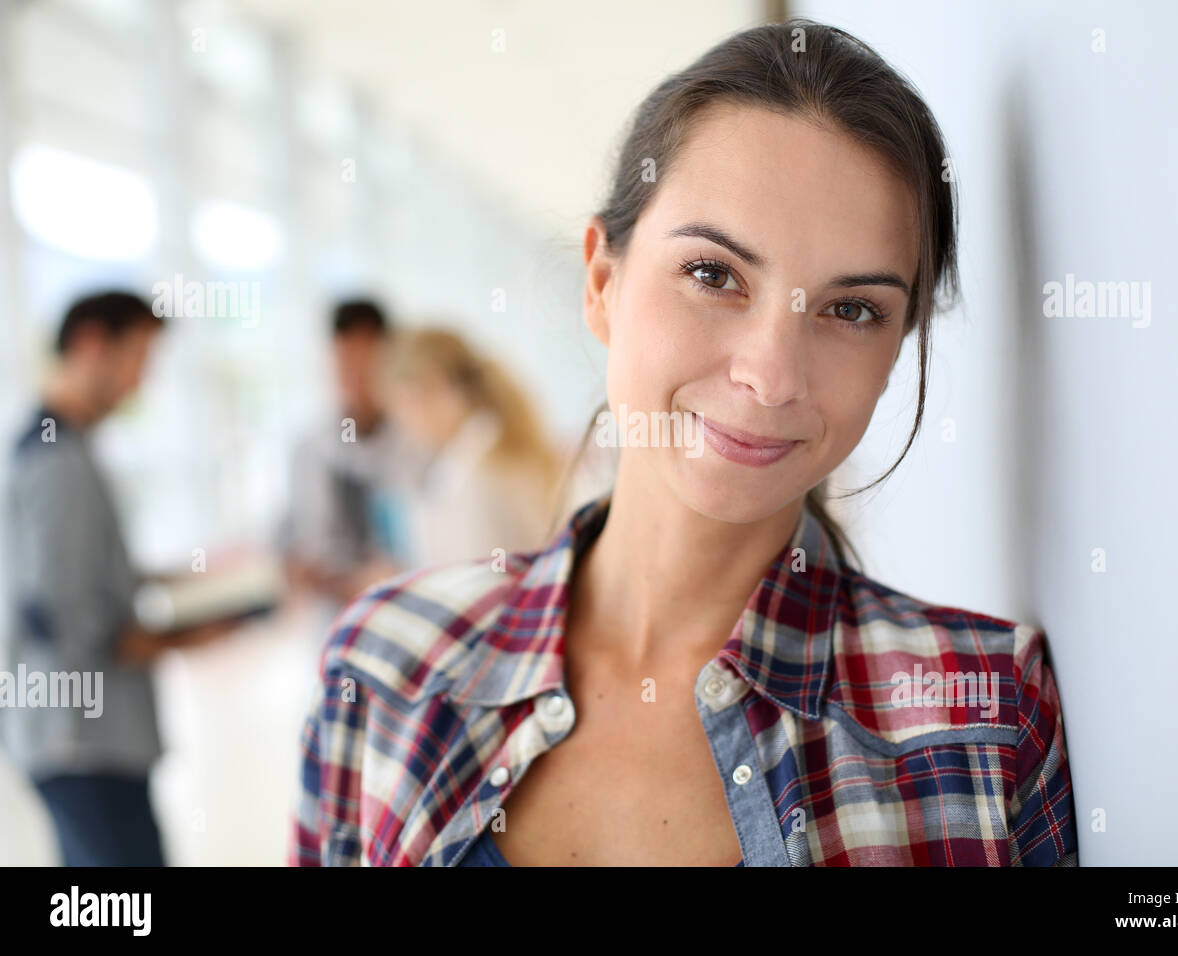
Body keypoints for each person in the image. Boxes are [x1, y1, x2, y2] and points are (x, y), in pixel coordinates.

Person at [290, 19, 1078, 867]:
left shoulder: (985, 719)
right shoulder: (383, 672)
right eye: (714, 274)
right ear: (603, 283)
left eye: (852, 310)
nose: (773, 376)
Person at [2, 291, 239, 866]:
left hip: (80, 741)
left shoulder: (63, 449)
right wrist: (186, 637)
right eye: (138, 359)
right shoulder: (58, 461)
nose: (141, 383)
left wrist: (195, 583)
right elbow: (72, 617)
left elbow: (90, 581)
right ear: (89, 344)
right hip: (80, 741)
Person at [380, 328, 564, 570]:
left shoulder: (471, 476)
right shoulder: (497, 447)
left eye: (399, 405)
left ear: (433, 384)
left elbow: (476, 588)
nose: (400, 423)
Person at [281, 298, 424, 605]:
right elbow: (294, 549)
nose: (356, 375)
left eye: (367, 361)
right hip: (336, 621)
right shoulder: (307, 449)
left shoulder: (419, 441)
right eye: (345, 360)